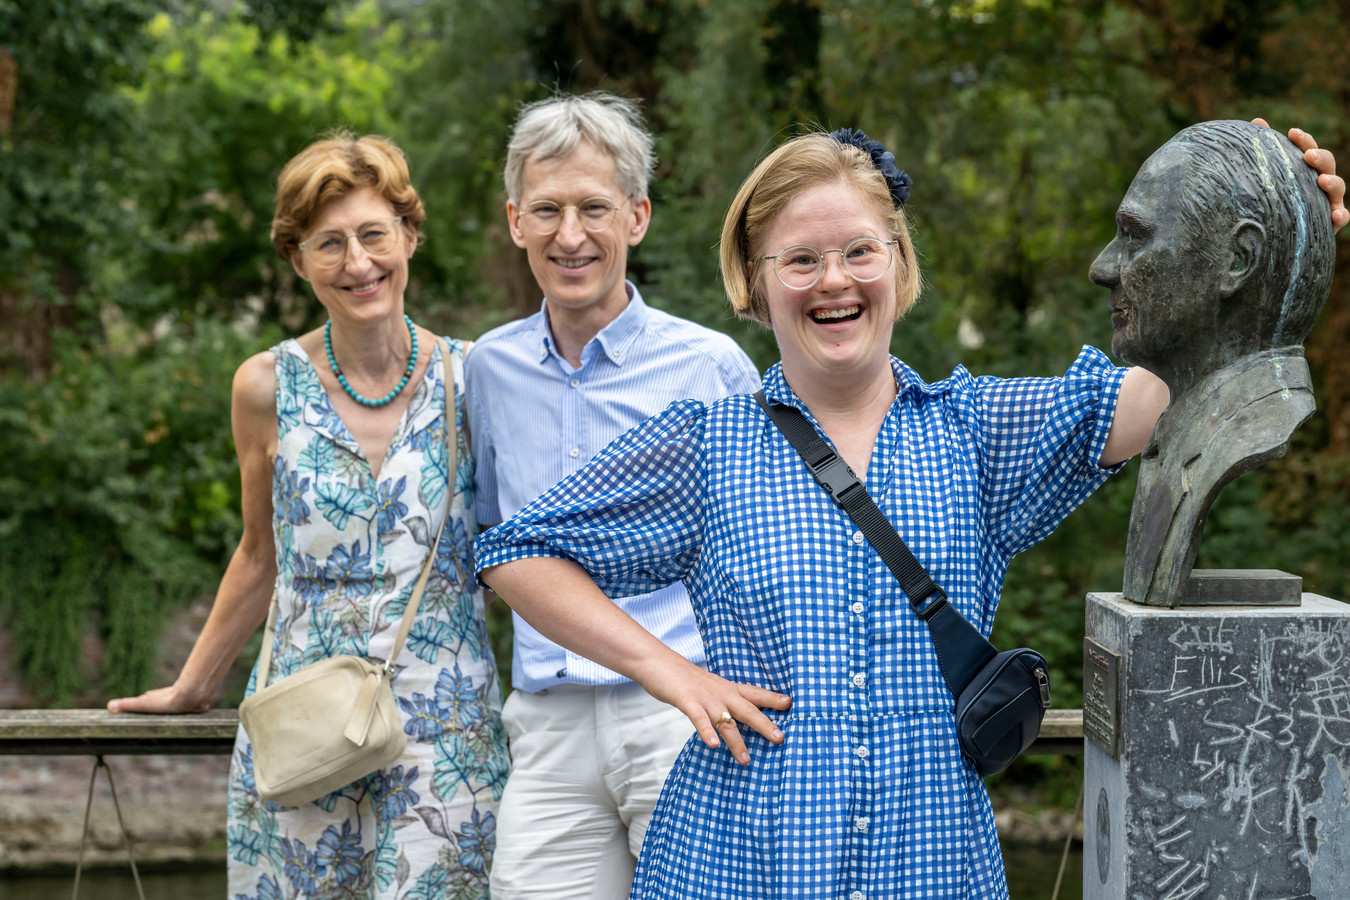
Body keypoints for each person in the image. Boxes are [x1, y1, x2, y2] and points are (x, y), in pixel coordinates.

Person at [473, 124, 1344, 898]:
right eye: (800, 260)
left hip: (928, 862)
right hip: (735, 857)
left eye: (859, 251)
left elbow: (1182, 389)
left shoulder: (979, 433)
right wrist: (673, 673)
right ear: (755, 280)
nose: (833, 283)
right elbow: (517, 550)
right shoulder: (705, 445)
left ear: (897, 259)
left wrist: (1285, 240)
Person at [107, 133, 508, 900]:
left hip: (443, 727)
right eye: (329, 243)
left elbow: (518, 546)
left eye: (373, 235)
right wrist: (195, 686)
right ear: (298, 261)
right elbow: (260, 554)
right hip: (304, 728)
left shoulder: (475, 378)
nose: (358, 263)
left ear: (409, 237)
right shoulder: (265, 386)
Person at [464, 91, 761, 899]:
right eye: (548, 209)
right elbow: (493, 535)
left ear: (636, 216)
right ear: (515, 219)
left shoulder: (711, 369)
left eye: (593, 207)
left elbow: (758, 547)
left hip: (682, 712)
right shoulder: (486, 371)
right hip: (547, 722)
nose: (570, 235)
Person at [1091, 120, 1339, 607]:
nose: (1102, 269)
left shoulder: (1239, 429)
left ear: (1238, 259)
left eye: (1135, 237)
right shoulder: (1179, 430)